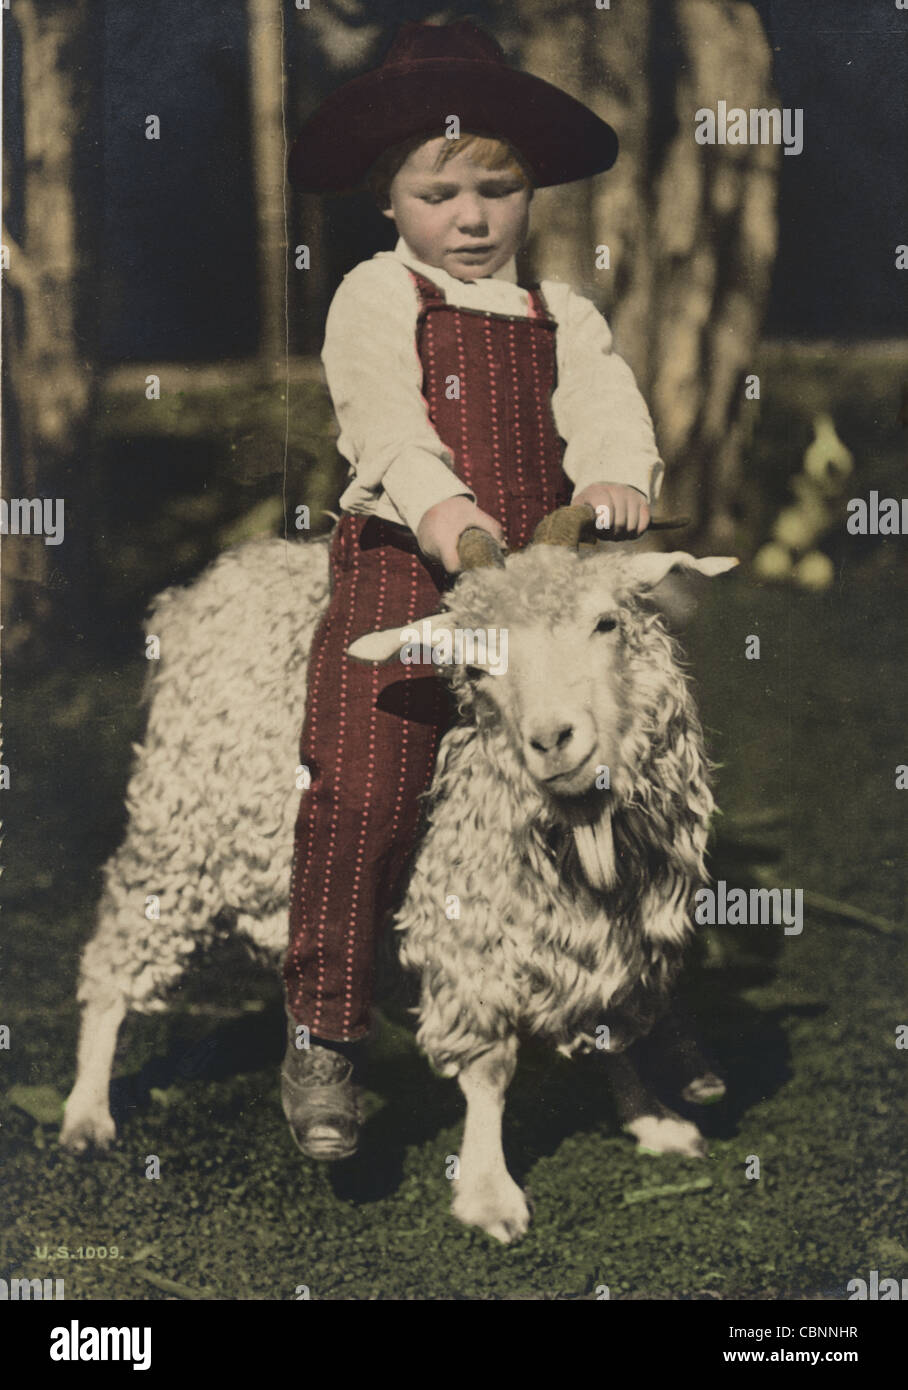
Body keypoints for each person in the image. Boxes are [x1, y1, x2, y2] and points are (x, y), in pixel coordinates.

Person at [281, 19, 665, 1158]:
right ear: (388, 202)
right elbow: (383, 418)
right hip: (409, 561)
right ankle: (327, 1029)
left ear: (530, 192)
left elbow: (604, 406)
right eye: (439, 191)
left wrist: (610, 475)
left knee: (609, 769)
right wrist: (443, 509)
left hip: (532, 587)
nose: (471, 217)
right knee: (367, 785)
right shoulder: (371, 296)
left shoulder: (564, 317)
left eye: (496, 189)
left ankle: (623, 1007)